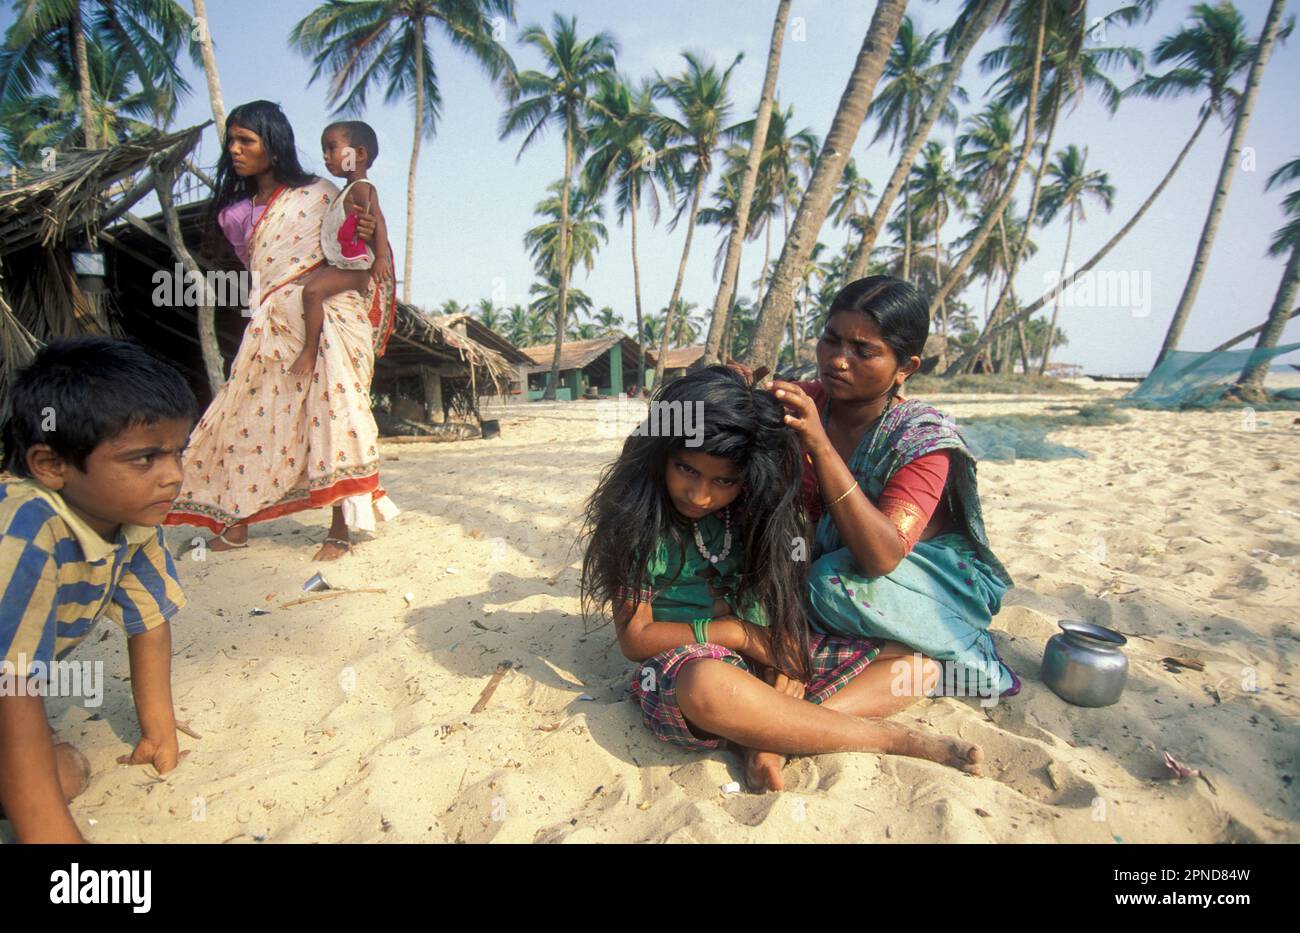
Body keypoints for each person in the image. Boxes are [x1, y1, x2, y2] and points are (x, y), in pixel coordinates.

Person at [580, 366, 983, 793]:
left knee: (916, 668)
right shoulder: (639, 523)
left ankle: (778, 738)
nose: (700, 495)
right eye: (686, 469)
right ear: (661, 454)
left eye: (724, 481)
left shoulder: (752, 514)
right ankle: (888, 739)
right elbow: (635, 639)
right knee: (707, 688)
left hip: (758, 650)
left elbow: (767, 596)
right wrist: (737, 633)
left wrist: (777, 645)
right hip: (687, 663)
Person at [165, 100, 397, 560]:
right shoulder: (233, 215)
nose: (234, 149)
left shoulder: (320, 192)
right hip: (272, 326)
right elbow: (263, 270)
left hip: (330, 317)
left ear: (273, 144)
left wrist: (368, 231)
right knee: (245, 416)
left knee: (332, 414)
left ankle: (339, 530)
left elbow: (351, 248)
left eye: (245, 140)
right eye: (231, 140)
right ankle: (235, 523)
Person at [770, 276, 1019, 701]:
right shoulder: (809, 402)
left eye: (864, 351)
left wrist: (818, 443)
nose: (838, 361)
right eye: (831, 340)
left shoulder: (920, 438)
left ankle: (962, 653)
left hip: (926, 572)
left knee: (825, 585)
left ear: (906, 368)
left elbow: (880, 556)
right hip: (838, 554)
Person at [0, 338, 194, 843]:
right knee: (53, 777)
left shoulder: (128, 521)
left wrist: (158, 729)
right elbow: (12, 686)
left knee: (62, 772)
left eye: (178, 452)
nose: (173, 476)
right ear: (51, 465)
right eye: (145, 458)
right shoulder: (24, 530)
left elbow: (148, 619)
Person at [297, 119, 395, 377]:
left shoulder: (362, 187)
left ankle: (309, 350)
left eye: (332, 148)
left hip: (355, 268)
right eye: (324, 151)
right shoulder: (346, 191)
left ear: (359, 154)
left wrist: (381, 258)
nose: (326, 157)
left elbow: (379, 220)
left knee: (311, 292)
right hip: (343, 264)